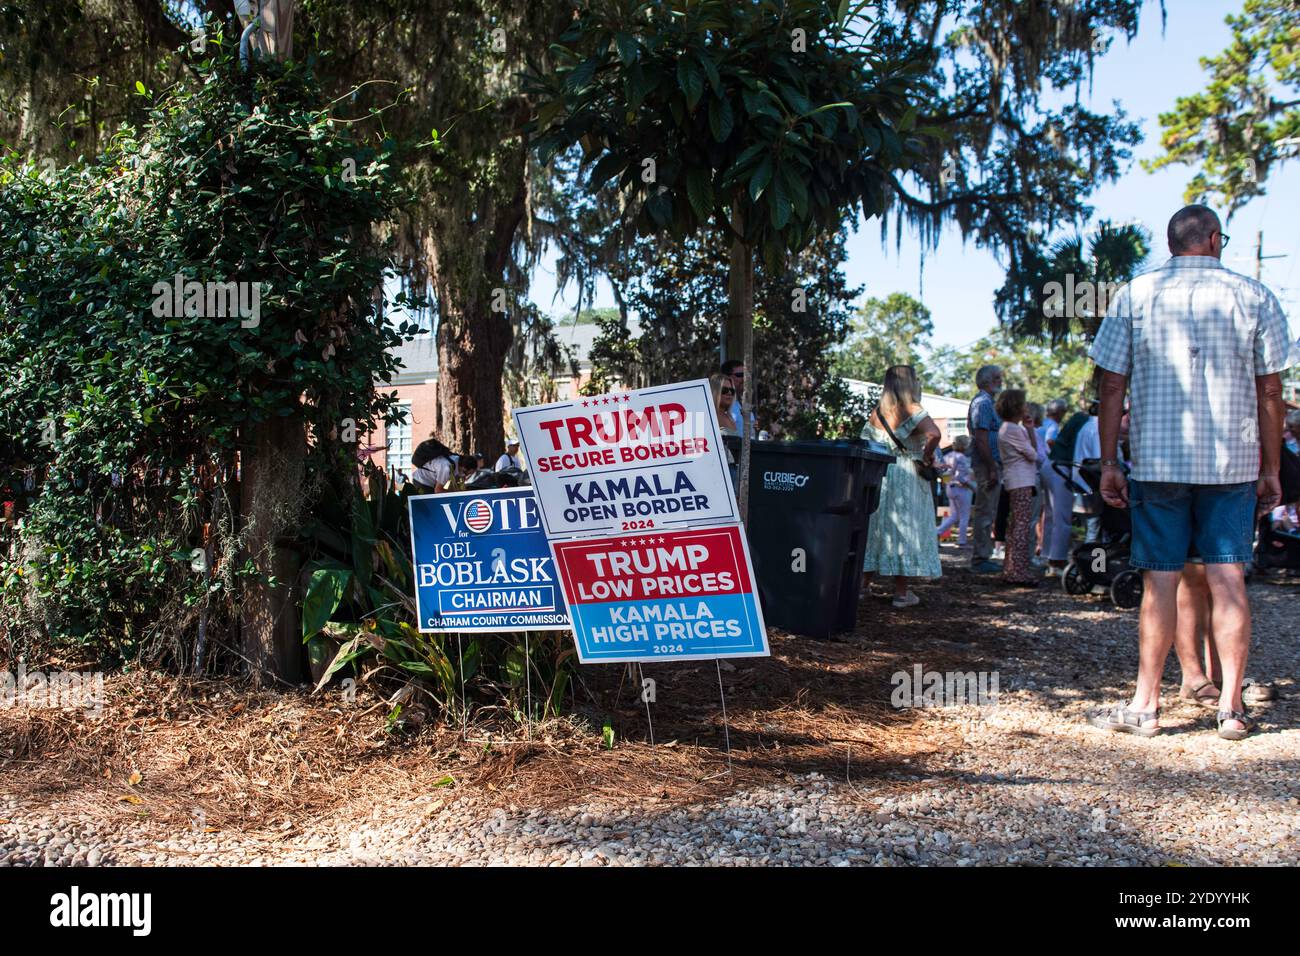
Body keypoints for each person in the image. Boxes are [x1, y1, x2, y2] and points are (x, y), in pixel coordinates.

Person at [1087, 204, 1296, 741]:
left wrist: (1110, 460)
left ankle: (1146, 704)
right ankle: (1230, 707)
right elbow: (1270, 390)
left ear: (1172, 241)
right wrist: (1271, 468)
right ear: (1214, 240)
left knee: (1161, 578)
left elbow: (1111, 384)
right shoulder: (1255, 296)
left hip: (1158, 459)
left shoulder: (1135, 294)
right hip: (1232, 461)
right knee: (1228, 576)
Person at [861, 365, 943, 607]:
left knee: (878, 530)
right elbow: (935, 433)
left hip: (883, 473)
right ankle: (901, 593)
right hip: (908, 474)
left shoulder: (877, 413)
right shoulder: (913, 408)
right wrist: (927, 455)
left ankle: (863, 586)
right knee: (905, 531)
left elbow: (865, 442)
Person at [996, 389, 1041, 587]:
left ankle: (1011, 569)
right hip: (1021, 481)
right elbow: (1033, 454)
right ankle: (1018, 571)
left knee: (1015, 526)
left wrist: (1030, 428)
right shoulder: (1013, 429)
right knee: (1022, 527)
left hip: (1015, 481)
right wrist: (1028, 433)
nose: (1026, 407)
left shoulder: (1009, 428)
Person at [967, 364, 1004, 573]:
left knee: (989, 510)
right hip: (986, 464)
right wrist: (991, 468)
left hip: (989, 463)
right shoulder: (982, 403)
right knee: (985, 511)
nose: (1000, 381)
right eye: (998, 378)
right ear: (988, 381)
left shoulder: (987, 402)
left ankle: (983, 556)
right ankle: (980, 559)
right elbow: (981, 439)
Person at [935, 434, 975, 545]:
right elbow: (960, 476)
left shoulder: (948, 456)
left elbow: (945, 473)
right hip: (961, 488)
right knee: (964, 516)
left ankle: (937, 532)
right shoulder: (961, 457)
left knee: (954, 515)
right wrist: (972, 486)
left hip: (950, 488)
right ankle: (962, 541)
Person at [720, 359, 751, 435]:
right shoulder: (720, 406)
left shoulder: (744, 403)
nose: (744, 379)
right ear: (727, 377)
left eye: (745, 375)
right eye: (740, 375)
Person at [710, 372, 741, 436]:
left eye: (732, 390)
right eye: (724, 390)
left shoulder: (730, 417)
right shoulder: (710, 416)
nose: (729, 393)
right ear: (715, 391)